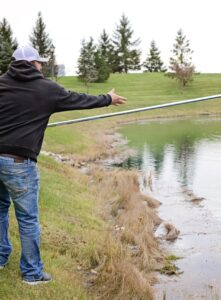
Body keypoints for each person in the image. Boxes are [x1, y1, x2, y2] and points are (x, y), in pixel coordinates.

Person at [0, 46, 126, 285]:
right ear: (33, 64)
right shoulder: (47, 89)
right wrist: (108, 99)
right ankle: (32, 273)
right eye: (40, 62)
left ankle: (0, 258)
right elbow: (80, 99)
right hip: (19, 163)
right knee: (27, 219)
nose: (41, 66)